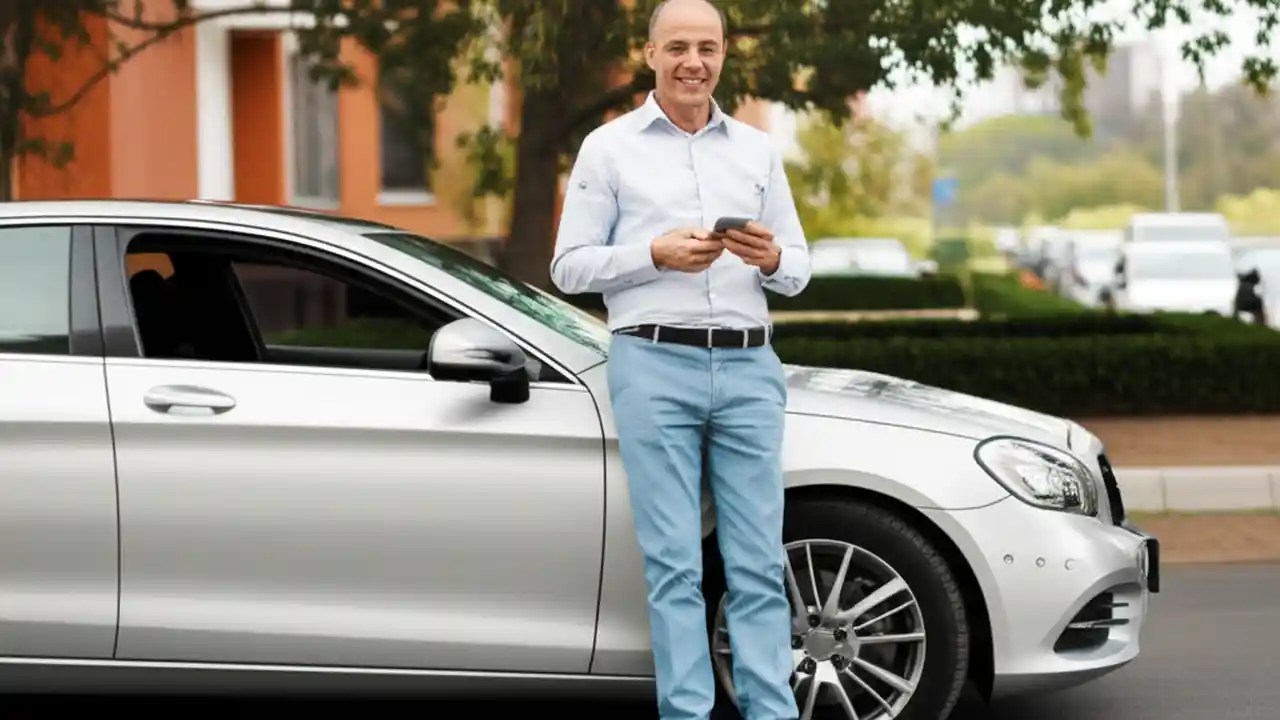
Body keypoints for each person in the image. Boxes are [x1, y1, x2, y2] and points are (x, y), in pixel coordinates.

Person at [549, 1, 810, 717]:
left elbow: (799, 266)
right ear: (651, 54)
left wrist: (774, 256)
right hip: (652, 365)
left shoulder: (756, 150)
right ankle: (688, 712)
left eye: (707, 46)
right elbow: (569, 268)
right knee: (675, 566)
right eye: (678, 47)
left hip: (750, 367)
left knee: (758, 561)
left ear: (724, 53)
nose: (694, 61)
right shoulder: (609, 149)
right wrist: (652, 255)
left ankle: (770, 710)